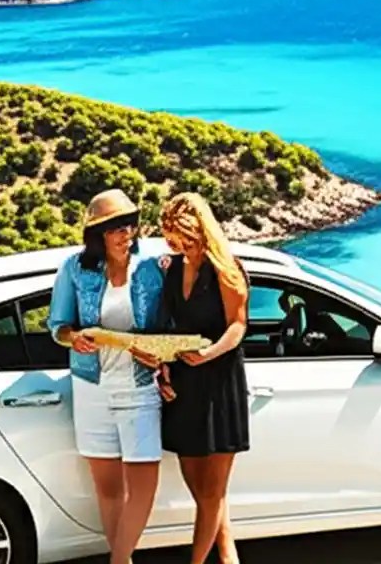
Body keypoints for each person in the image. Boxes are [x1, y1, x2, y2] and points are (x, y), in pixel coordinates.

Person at [48, 188, 168, 564]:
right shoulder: (74, 268)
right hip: (92, 389)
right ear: (98, 234)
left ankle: (117, 560)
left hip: (139, 386)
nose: (125, 234)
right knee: (109, 491)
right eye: (116, 228)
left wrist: (161, 354)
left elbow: (172, 323)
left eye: (130, 226)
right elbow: (57, 324)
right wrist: (74, 337)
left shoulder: (153, 266)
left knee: (144, 486)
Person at [156, 192, 251, 564]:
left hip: (219, 381)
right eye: (172, 240)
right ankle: (228, 556)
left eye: (184, 240)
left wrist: (208, 354)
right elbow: (171, 325)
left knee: (212, 492)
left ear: (202, 232)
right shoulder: (172, 268)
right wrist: (164, 366)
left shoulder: (227, 269)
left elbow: (238, 325)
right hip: (182, 382)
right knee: (199, 484)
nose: (178, 247)